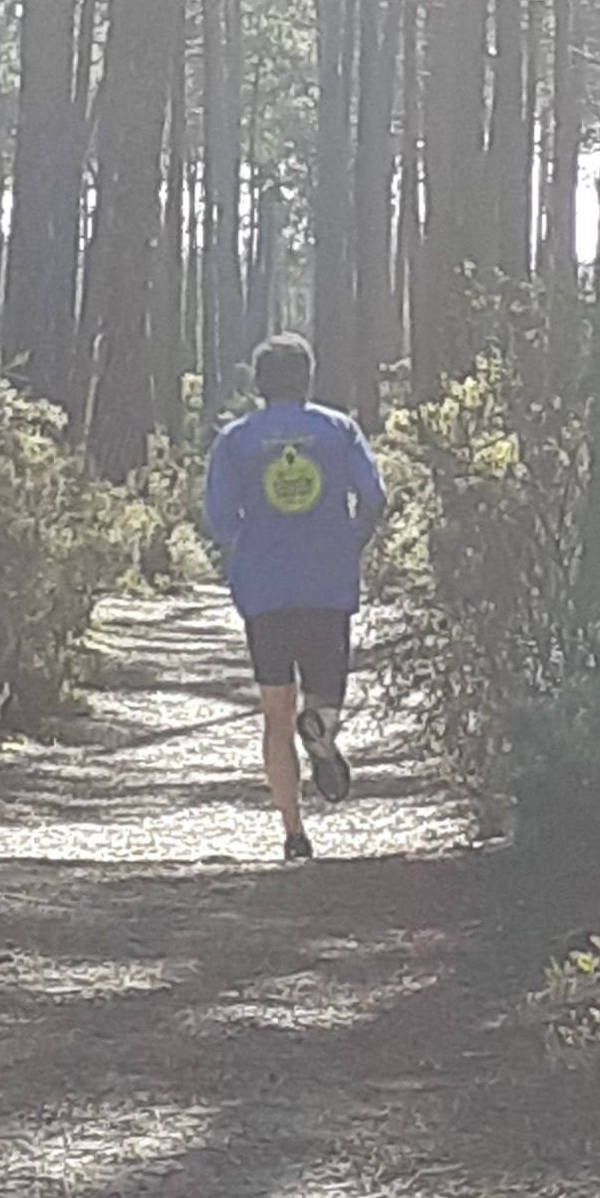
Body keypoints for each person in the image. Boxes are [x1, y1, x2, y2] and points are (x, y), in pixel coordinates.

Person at [204, 334, 387, 862]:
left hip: (264, 588)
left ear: (258, 383)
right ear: (308, 377)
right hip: (328, 584)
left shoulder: (235, 440)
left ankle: (293, 831)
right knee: (324, 694)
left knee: (275, 710)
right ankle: (323, 732)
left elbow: (219, 518)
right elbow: (374, 496)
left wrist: (249, 545)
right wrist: (352, 539)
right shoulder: (337, 430)